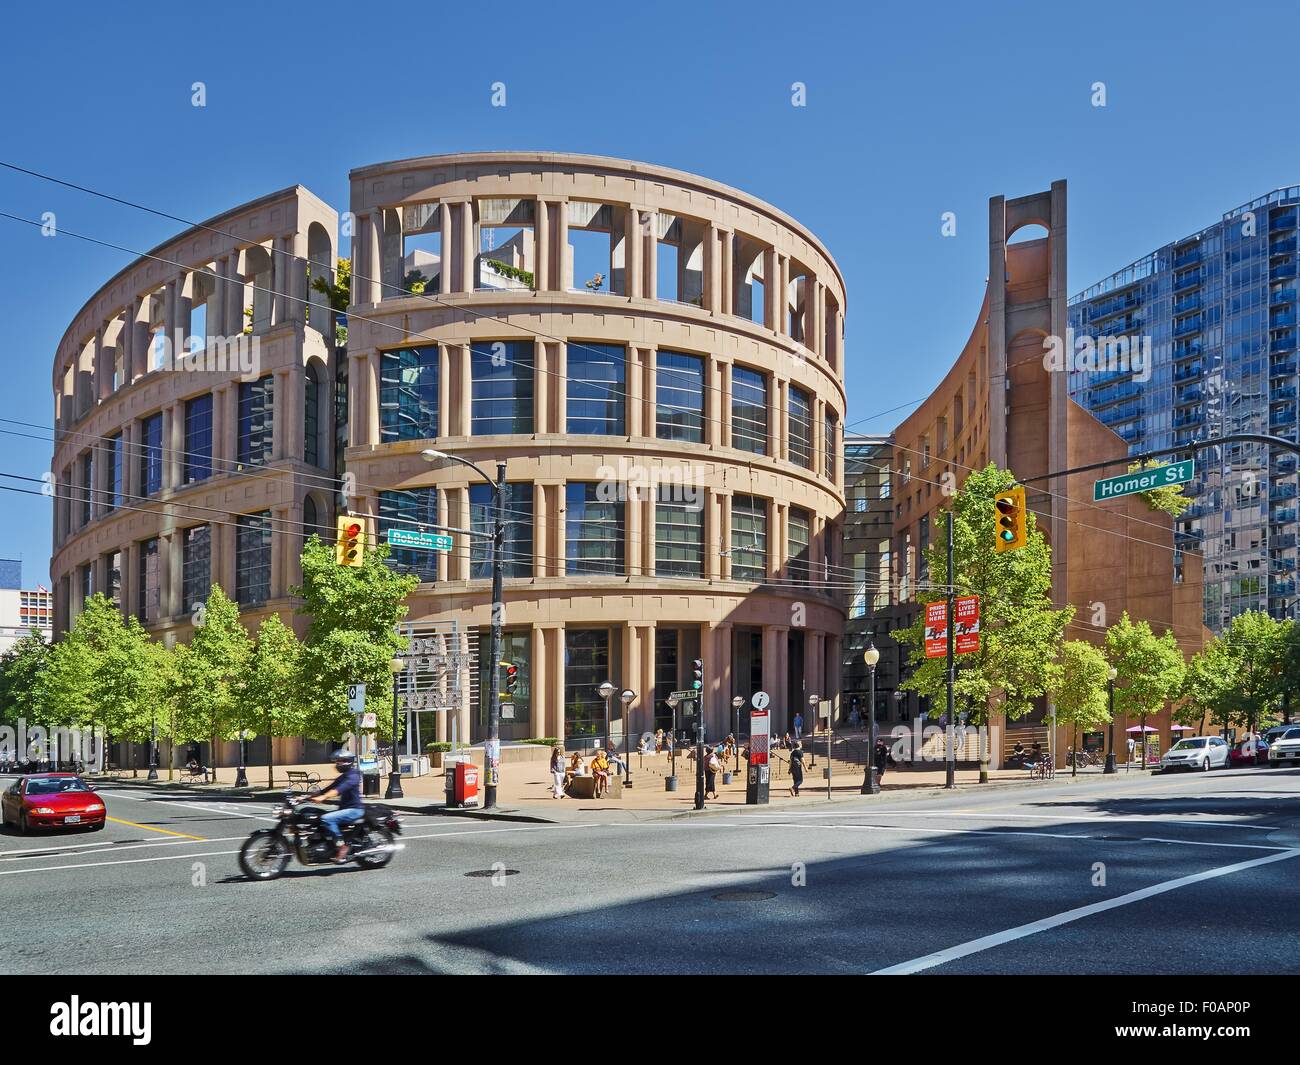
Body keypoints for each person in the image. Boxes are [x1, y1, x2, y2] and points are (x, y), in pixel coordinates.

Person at [313, 750, 364, 862]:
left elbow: (338, 790)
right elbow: (328, 789)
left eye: (340, 761)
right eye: (337, 761)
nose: (337, 764)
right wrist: (303, 797)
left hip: (354, 810)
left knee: (327, 818)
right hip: (345, 809)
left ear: (348, 762)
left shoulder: (354, 775)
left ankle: (342, 847)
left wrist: (323, 797)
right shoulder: (344, 776)